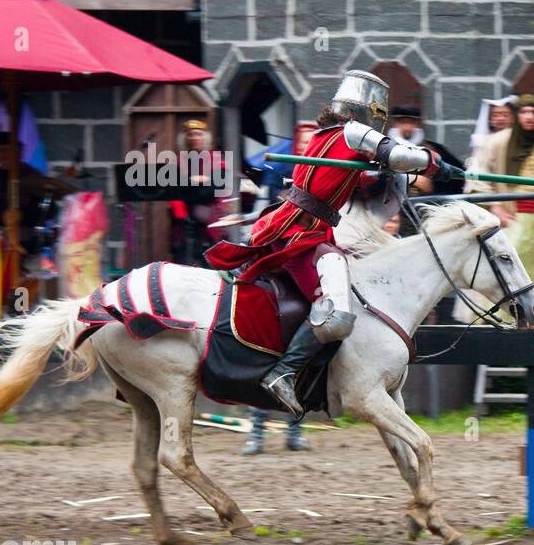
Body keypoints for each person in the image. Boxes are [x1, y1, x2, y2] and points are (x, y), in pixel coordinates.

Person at [204, 69, 464, 417]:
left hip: (295, 226)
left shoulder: (324, 137)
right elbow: (400, 155)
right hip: (304, 234)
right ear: (371, 110)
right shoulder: (354, 133)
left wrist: (383, 175)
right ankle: (284, 373)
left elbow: (358, 179)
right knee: (339, 315)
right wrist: (435, 164)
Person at [467, 93, 534, 320]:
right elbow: (477, 176)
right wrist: (495, 206)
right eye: (524, 112)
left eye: (533, 112)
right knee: (507, 271)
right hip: (513, 220)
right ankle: (502, 321)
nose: (529, 117)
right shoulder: (499, 141)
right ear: (518, 116)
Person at [0, 132, 53, 254]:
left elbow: (47, 210)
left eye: (8, 150)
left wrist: (22, 213)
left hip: (25, 240)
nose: (4, 155)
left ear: (18, 152)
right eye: (0, 151)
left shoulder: (32, 176)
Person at [169, 119, 229, 265]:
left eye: (198, 134)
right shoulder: (176, 163)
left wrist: (187, 184)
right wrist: (200, 181)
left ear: (205, 138)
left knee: (213, 269)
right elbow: (172, 191)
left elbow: (213, 191)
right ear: (184, 139)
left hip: (211, 225)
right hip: (183, 225)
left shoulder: (216, 161)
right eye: (190, 134)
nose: (194, 138)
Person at [389, 104, 465, 170]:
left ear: (417, 124)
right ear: (396, 123)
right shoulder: (386, 147)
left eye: (412, 123)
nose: (408, 127)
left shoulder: (434, 149)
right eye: (403, 123)